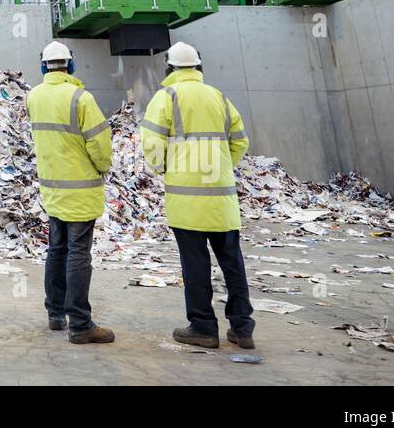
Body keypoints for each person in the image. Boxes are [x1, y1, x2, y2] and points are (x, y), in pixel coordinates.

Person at [141, 41, 255, 350]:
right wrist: (221, 167)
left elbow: (151, 144)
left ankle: (204, 327)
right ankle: (242, 327)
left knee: (196, 264)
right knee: (232, 262)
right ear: (199, 67)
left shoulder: (166, 97)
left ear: (169, 68)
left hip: (186, 200)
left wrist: (166, 167)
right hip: (222, 199)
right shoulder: (218, 96)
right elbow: (240, 141)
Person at [26, 40, 114, 344]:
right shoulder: (81, 98)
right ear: (71, 65)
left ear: (43, 66)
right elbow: (100, 145)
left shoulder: (34, 97)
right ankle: (80, 323)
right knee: (79, 254)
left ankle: (55, 313)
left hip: (52, 190)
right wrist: (102, 168)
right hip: (80, 191)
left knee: (56, 249)